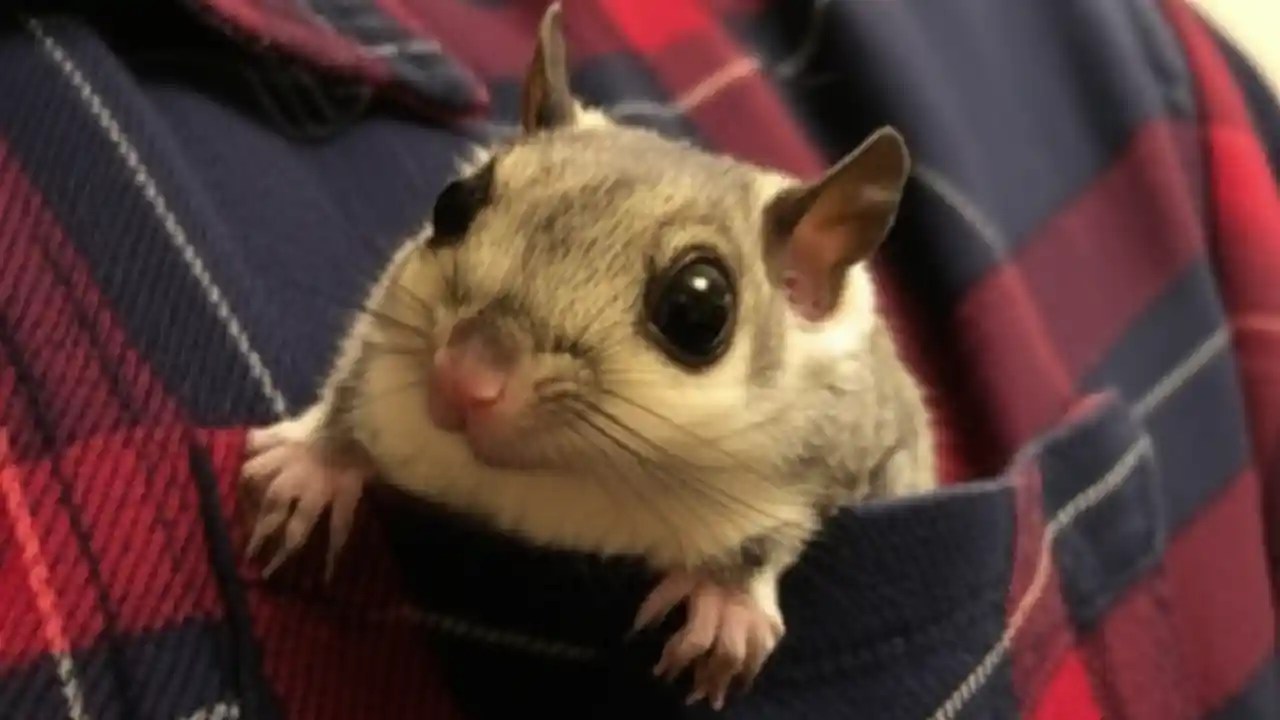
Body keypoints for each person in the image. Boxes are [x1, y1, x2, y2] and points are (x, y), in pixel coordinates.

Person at [0, 1, 1276, 718]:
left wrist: (742, 570)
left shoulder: (1126, 60)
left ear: (809, 273)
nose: (471, 381)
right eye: (463, 215)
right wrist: (337, 440)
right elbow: (409, 314)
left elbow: (865, 456)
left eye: (688, 310)